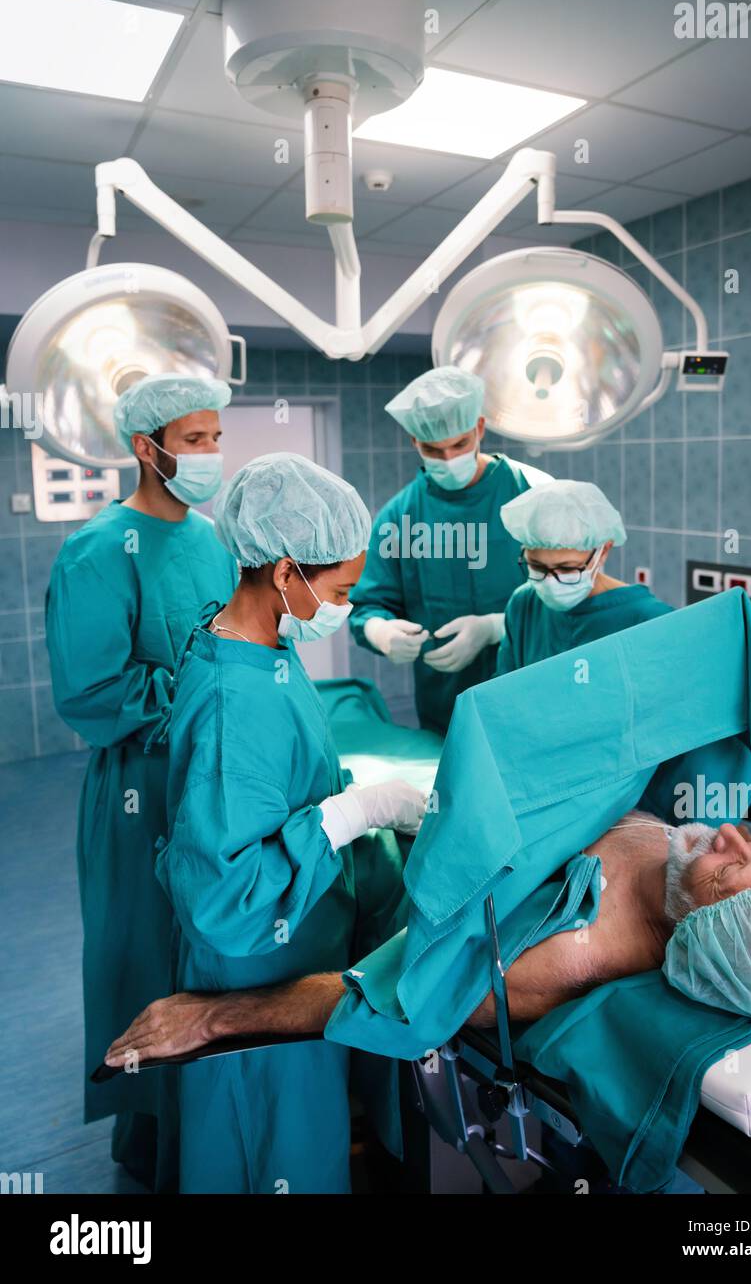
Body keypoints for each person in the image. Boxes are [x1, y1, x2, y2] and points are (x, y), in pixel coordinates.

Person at [152, 453, 427, 1194]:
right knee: (266, 1149)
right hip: (252, 964)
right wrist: (351, 812)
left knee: (302, 1132)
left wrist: (348, 809)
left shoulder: (262, 646)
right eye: (339, 589)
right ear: (283, 572)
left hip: (297, 945)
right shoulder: (230, 703)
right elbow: (223, 899)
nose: (346, 603)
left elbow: (282, 787)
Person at [106, 815, 751, 1064]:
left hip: (408, 885)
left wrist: (214, 1016)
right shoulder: (684, 865)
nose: (732, 834)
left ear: (699, 935)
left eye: (731, 869)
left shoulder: (568, 953)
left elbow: (399, 995)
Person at [45, 372, 238, 1191]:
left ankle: (212, 1118)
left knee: (209, 943)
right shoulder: (96, 550)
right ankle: (151, 1136)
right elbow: (90, 696)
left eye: (214, 439)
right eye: (194, 441)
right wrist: (201, 688)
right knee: (141, 949)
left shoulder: (210, 537)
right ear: (145, 447)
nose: (209, 456)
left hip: (212, 770)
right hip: (139, 784)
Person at [350, 365, 550, 732]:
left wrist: (496, 627)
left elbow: (570, 593)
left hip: (530, 692)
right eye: (433, 449)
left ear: (479, 428)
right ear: (414, 442)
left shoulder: (533, 493)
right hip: (444, 705)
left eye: (459, 445)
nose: (447, 459)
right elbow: (367, 605)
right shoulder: (399, 516)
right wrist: (382, 631)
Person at [496, 479, 672, 674]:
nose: (550, 581)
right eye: (537, 566)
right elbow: (503, 693)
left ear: (603, 551)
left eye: (567, 568)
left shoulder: (650, 619)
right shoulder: (524, 604)